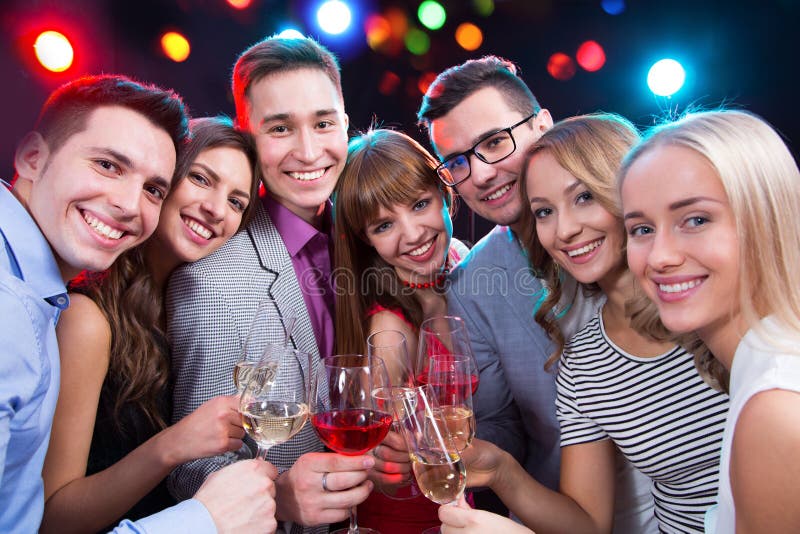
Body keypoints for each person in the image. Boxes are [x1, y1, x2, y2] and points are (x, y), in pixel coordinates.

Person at [0, 74, 276, 533]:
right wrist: (175, 446)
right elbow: (50, 515)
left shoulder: (186, 305)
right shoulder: (83, 317)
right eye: (201, 180)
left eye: (236, 201)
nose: (215, 209)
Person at [439, 113, 730, 533]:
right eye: (544, 212)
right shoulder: (584, 361)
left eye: (584, 197)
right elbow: (587, 522)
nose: (565, 230)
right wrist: (503, 471)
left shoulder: (709, 294)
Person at [166, 36, 375, 532]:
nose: (309, 151)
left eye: (323, 123)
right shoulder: (213, 283)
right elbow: (188, 467)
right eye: (280, 128)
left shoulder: (372, 235)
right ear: (248, 138)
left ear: (345, 124)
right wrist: (278, 497)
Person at [417, 56, 603, 493]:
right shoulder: (470, 286)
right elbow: (503, 424)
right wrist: (462, 448)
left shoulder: (634, 225)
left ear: (542, 126)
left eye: (496, 142)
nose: (480, 174)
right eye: (457, 162)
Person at [619, 110, 800, 533]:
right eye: (642, 229)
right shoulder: (761, 360)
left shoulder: (776, 410)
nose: (660, 256)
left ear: (766, 219)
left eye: (696, 220)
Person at [333, 128, 469, 533]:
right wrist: (393, 459)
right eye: (384, 225)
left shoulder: (461, 259)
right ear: (366, 240)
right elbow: (386, 465)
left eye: (420, 204)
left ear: (444, 192)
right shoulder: (390, 327)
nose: (413, 235)